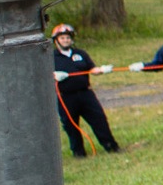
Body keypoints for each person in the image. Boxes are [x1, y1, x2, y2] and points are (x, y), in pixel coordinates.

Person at [51, 23, 120, 158]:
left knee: (99, 119)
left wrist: (102, 70)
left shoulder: (80, 54)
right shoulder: (51, 57)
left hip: (85, 94)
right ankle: (78, 153)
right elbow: (43, 75)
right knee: (71, 125)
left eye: (68, 37)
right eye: (63, 38)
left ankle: (111, 146)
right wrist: (54, 75)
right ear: (56, 40)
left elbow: (91, 69)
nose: (66, 40)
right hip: (66, 97)